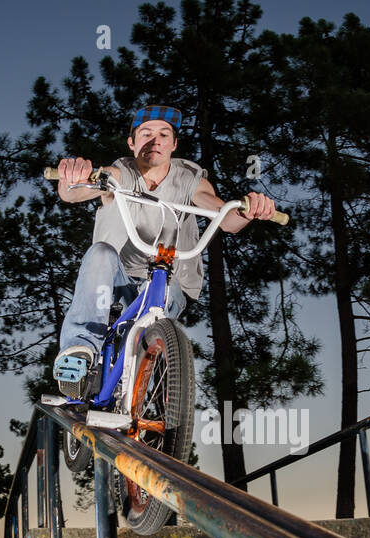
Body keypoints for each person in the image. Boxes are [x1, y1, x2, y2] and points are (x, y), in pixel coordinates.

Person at [52, 103, 278, 397]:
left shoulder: (188, 179)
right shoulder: (120, 173)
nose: (154, 140)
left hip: (166, 278)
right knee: (101, 253)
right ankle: (78, 353)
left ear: (174, 143)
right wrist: (72, 177)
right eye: (145, 133)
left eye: (163, 134)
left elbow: (226, 218)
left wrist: (250, 211)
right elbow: (74, 192)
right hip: (117, 277)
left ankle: (134, 377)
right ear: (132, 143)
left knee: (169, 290)